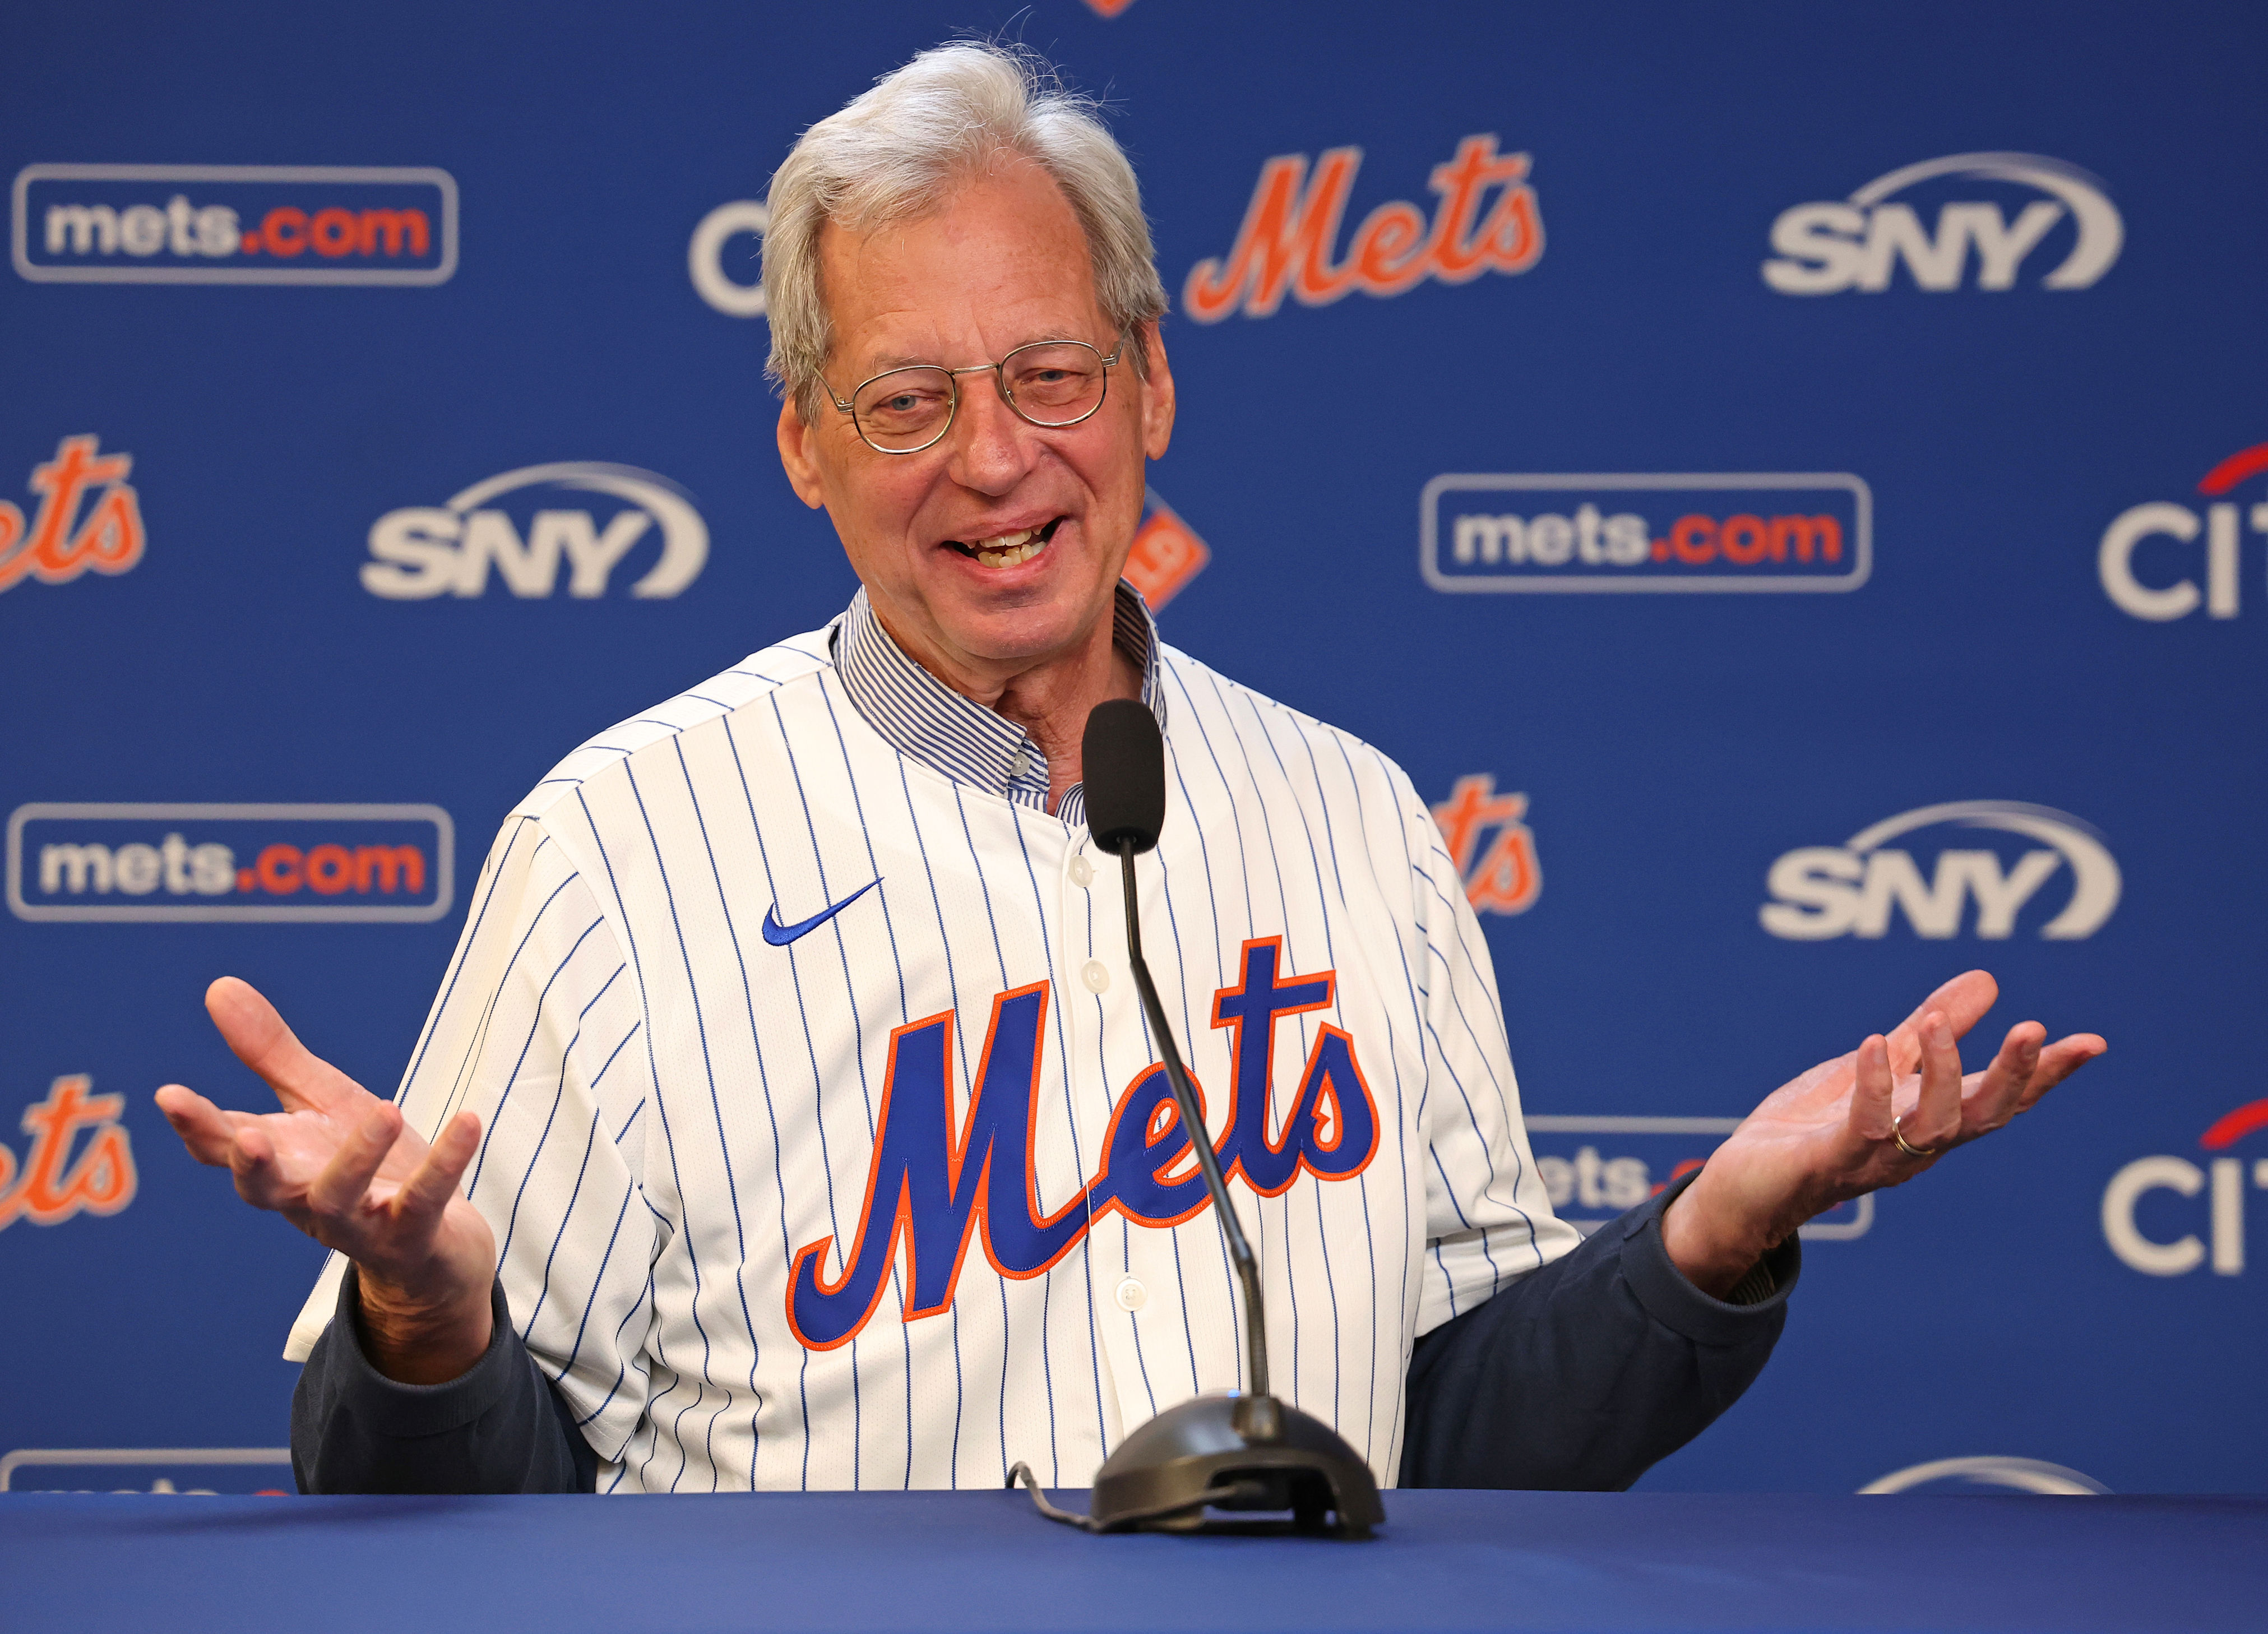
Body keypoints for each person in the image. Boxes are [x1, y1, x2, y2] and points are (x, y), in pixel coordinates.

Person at [154, 43, 2103, 1497]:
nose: (994, 456)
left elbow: (1458, 1437)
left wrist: (1714, 1230)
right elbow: (445, 1514)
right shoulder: (618, 849)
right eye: (905, 399)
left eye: (1050, 375)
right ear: (804, 447)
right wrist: (426, 1316)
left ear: (1150, 382)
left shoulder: (1351, 818)